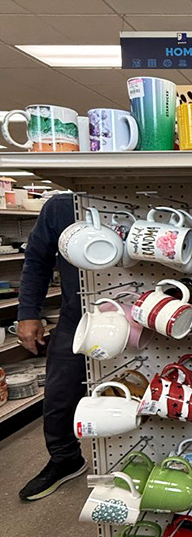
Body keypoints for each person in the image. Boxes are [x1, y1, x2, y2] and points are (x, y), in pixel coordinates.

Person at [16, 193, 87, 500]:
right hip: (79, 313)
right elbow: (37, 261)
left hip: (140, 311)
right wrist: (28, 313)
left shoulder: (139, 195)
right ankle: (65, 459)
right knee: (60, 395)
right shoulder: (61, 206)